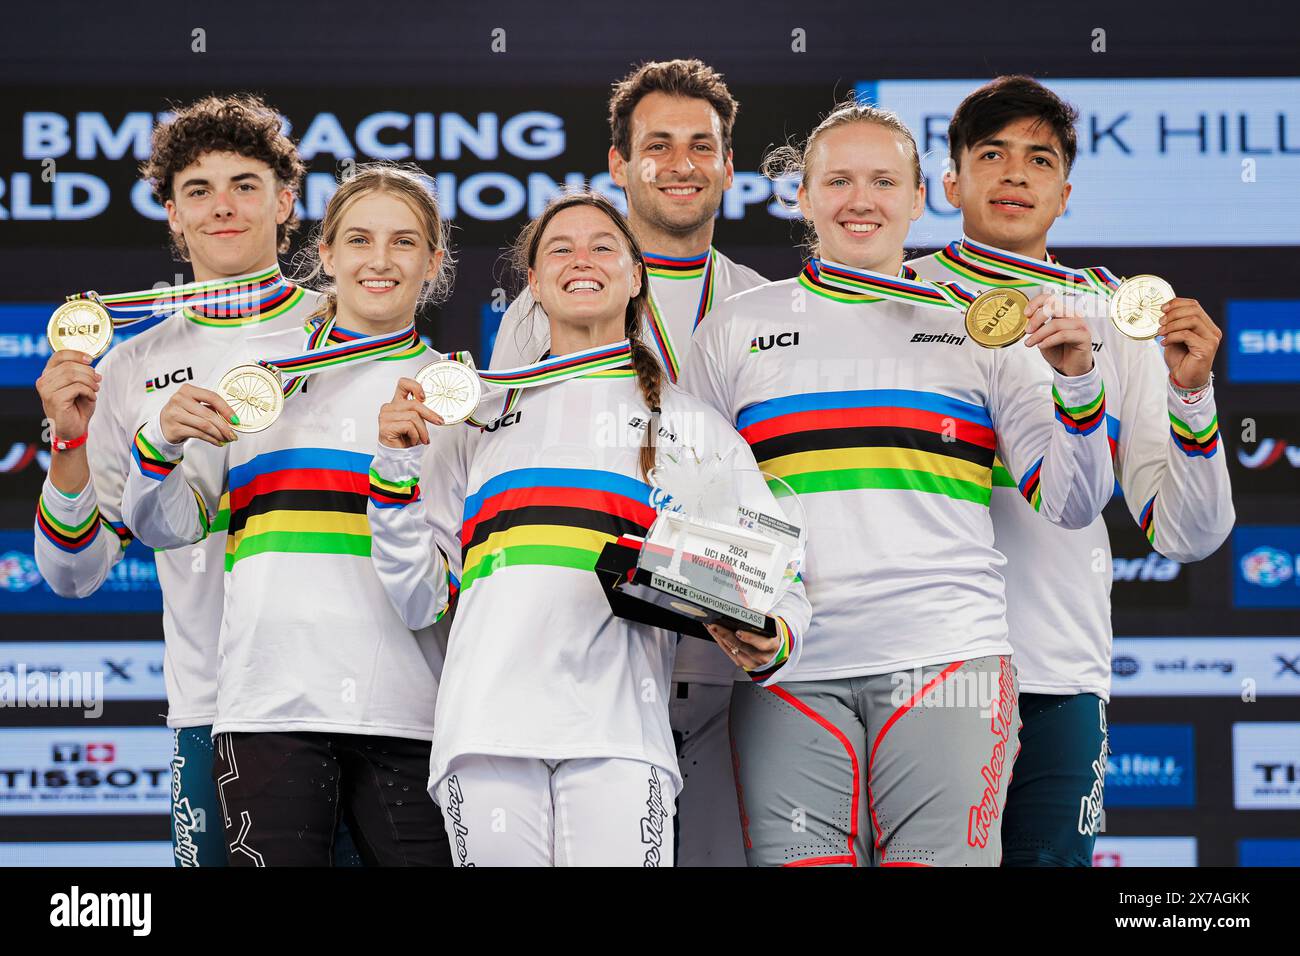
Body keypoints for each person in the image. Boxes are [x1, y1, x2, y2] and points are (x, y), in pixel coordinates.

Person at [680, 101, 1115, 866]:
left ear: (920, 198)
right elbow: (698, 502)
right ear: (801, 196)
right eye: (838, 179)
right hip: (793, 667)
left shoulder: (983, 328)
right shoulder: (734, 330)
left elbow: (1073, 502)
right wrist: (731, 614)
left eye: (884, 180)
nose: (861, 199)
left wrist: (1077, 380)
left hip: (947, 658)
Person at [367, 190, 810, 866]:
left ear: (636, 277)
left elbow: (774, 579)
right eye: (559, 250)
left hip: (622, 739)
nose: (583, 261)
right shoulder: (475, 417)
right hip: (485, 732)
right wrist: (395, 473)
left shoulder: (691, 427)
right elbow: (418, 597)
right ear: (535, 286)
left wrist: (771, 634)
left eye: (604, 246)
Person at [906, 75, 1234, 867]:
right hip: (910, 664)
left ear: (1065, 193)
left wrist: (1193, 392)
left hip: (1055, 667)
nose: (1016, 174)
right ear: (950, 182)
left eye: (1040, 160)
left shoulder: (1120, 316)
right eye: (993, 154)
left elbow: (1187, 533)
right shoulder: (898, 298)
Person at [120, 165, 453, 866]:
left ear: (434, 262)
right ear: (326, 255)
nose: (381, 260)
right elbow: (167, 527)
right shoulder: (254, 372)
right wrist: (158, 447)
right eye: (359, 239)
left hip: (409, 714)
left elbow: (430, 601)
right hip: (268, 710)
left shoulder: (458, 402)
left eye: (404, 242)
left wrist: (394, 476)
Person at [491, 59, 766, 867]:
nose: (681, 165)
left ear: (725, 163)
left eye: (701, 146)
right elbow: (504, 473)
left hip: (727, 667)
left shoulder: (764, 304)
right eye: (657, 146)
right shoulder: (537, 312)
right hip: (588, 667)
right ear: (618, 165)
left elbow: (770, 501)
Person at [33, 94, 320, 867]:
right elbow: (73, 573)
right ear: (171, 213)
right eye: (198, 190)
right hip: (215, 704)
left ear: (286, 200)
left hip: (366, 703)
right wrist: (67, 439)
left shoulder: (342, 334)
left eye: (245, 185)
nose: (222, 207)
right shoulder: (128, 365)